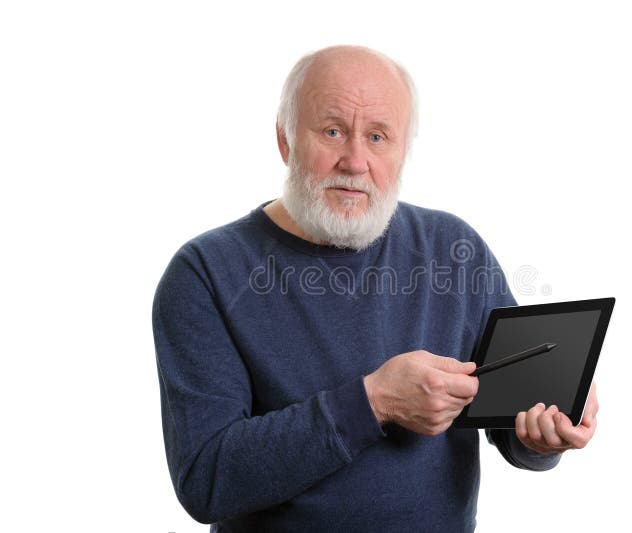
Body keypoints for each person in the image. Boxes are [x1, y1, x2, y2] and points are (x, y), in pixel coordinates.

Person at [152, 45, 599, 532]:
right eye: (332, 131)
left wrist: (542, 437)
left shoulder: (454, 249)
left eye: (378, 136)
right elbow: (206, 481)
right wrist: (373, 402)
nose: (355, 161)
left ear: (402, 151)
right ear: (284, 140)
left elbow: (511, 425)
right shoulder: (204, 273)